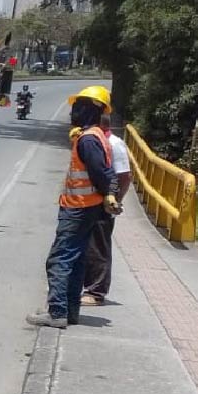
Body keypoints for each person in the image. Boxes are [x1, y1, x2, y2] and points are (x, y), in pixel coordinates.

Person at [27, 86, 122, 329]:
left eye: (79, 106)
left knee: (59, 259)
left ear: (94, 110)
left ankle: (57, 311)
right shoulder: (94, 136)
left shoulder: (89, 139)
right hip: (87, 208)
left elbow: (104, 173)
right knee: (77, 259)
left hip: (79, 209)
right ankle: (70, 311)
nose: (74, 111)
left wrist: (109, 194)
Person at [81, 114, 132, 306]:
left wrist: (114, 201)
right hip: (84, 203)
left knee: (98, 245)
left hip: (103, 203)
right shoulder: (90, 141)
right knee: (83, 244)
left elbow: (124, 176)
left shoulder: (113, 143)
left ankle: (96, 291)